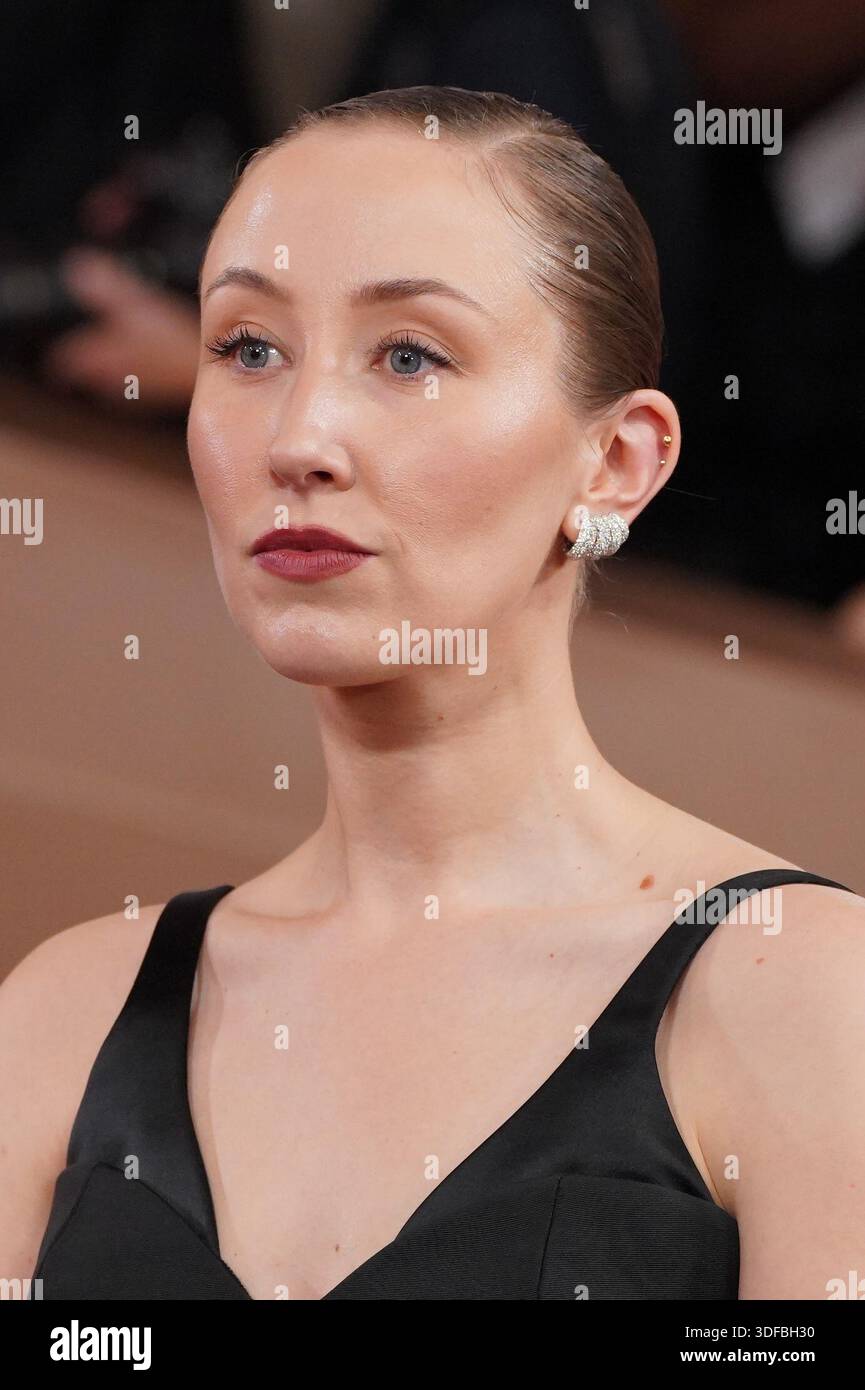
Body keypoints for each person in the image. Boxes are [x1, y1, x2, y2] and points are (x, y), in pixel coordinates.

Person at [2, 86, 863, 1302]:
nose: (300, 436)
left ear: (615, 463)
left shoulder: (804, 997)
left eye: (409, 355)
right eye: (248, 348)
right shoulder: (62, 1016)